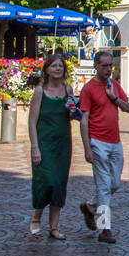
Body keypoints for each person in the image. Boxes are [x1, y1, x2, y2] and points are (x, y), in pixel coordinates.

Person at [78, 51, 129, 244]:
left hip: (115, 142)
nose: (109, 69)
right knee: (103, 186)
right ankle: (105, 228)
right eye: (105, 66)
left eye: (111, 66)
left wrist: (114, 98)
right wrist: (87, 147)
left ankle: (90, 207)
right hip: (98, 142)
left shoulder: (114, 86)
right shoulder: (88, 89)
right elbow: (83, 120)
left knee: (114, 184)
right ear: (96, 66)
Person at [27, 53, 75, 240]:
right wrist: (34, 147)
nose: (57, 69)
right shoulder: (40, 91)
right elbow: (32, 121)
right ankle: (36, 217)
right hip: (44, 143)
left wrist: (72, 111)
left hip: (63, 144)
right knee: (46, 181)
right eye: (54, 66)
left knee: (59, 185)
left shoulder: (68, 89)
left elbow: (73, 116)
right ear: (46, 69)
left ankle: (54, 227)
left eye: (60, 66)